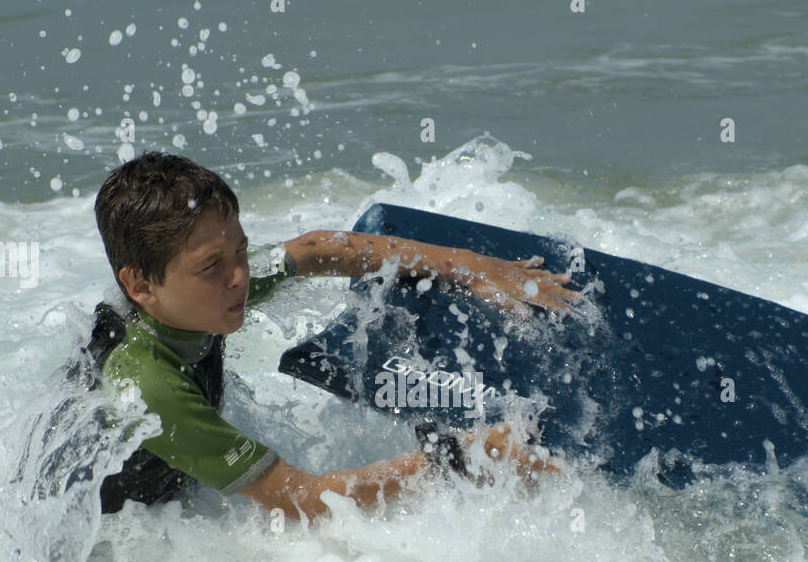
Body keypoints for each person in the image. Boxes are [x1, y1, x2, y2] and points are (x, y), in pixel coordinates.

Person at [86, 151, 576, 521]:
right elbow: (301, 504)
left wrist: (469, 267)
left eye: (241, 251)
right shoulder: (146, 385)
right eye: (213, 266)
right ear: (139, 285)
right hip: (107, 546)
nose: (240, 276)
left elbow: (315, 249)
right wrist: (463, 458)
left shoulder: (192, 294)